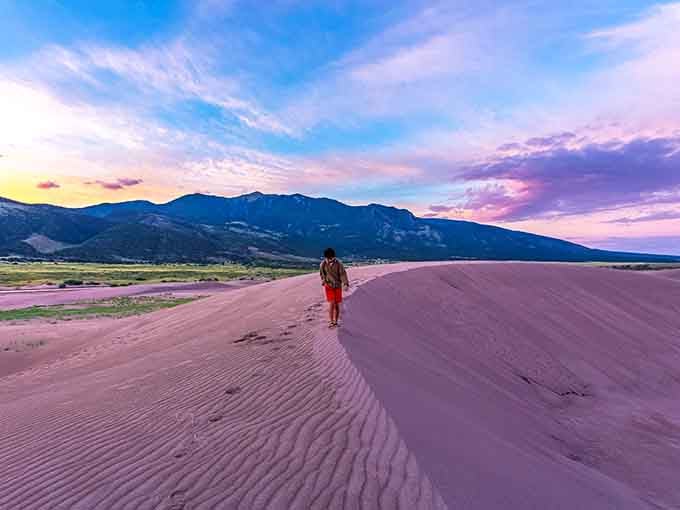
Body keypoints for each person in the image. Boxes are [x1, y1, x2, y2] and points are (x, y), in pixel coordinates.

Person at [320, 247, 349, 328]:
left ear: (334, 256)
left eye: (331, 257)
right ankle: (331, 322)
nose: (330, 259)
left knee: (336, 304)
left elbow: (343, 274)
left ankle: (336, 322)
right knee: (332, 303)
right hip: (328, 286)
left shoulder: (339, 263)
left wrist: (345, 284)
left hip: (337, 286)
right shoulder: (323, 264)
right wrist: (323, 280)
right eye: (328, 258)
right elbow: (322, 274)